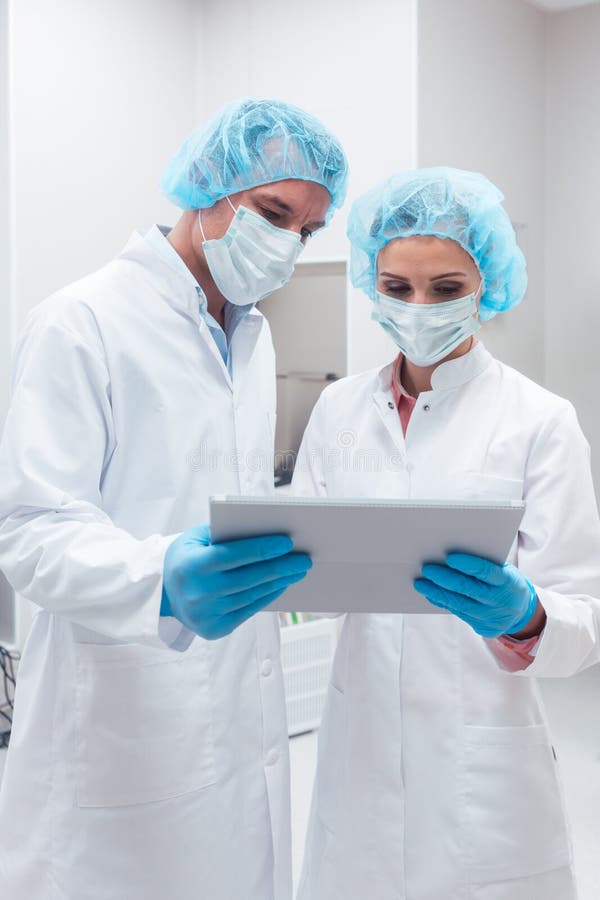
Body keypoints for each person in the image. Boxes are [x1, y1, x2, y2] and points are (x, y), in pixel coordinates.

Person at [0, 97, 348, 900]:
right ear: (207, 188)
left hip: (232, 710)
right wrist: (161, 577)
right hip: (118, 713)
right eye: (273, 212)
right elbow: (27, 527)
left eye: (308, 230)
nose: (288, 244)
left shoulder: (254, 338)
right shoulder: (82, 322)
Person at [293, 167, 600, 900]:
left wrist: (526, 616)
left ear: (487, 285)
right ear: (372, 284)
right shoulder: (338, 410)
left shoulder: (540, 420)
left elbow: (581, 620)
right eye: (397, 288)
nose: (420, 306)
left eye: (445, 287)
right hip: (360, 740)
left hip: (483, 755)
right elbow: (309, 564)